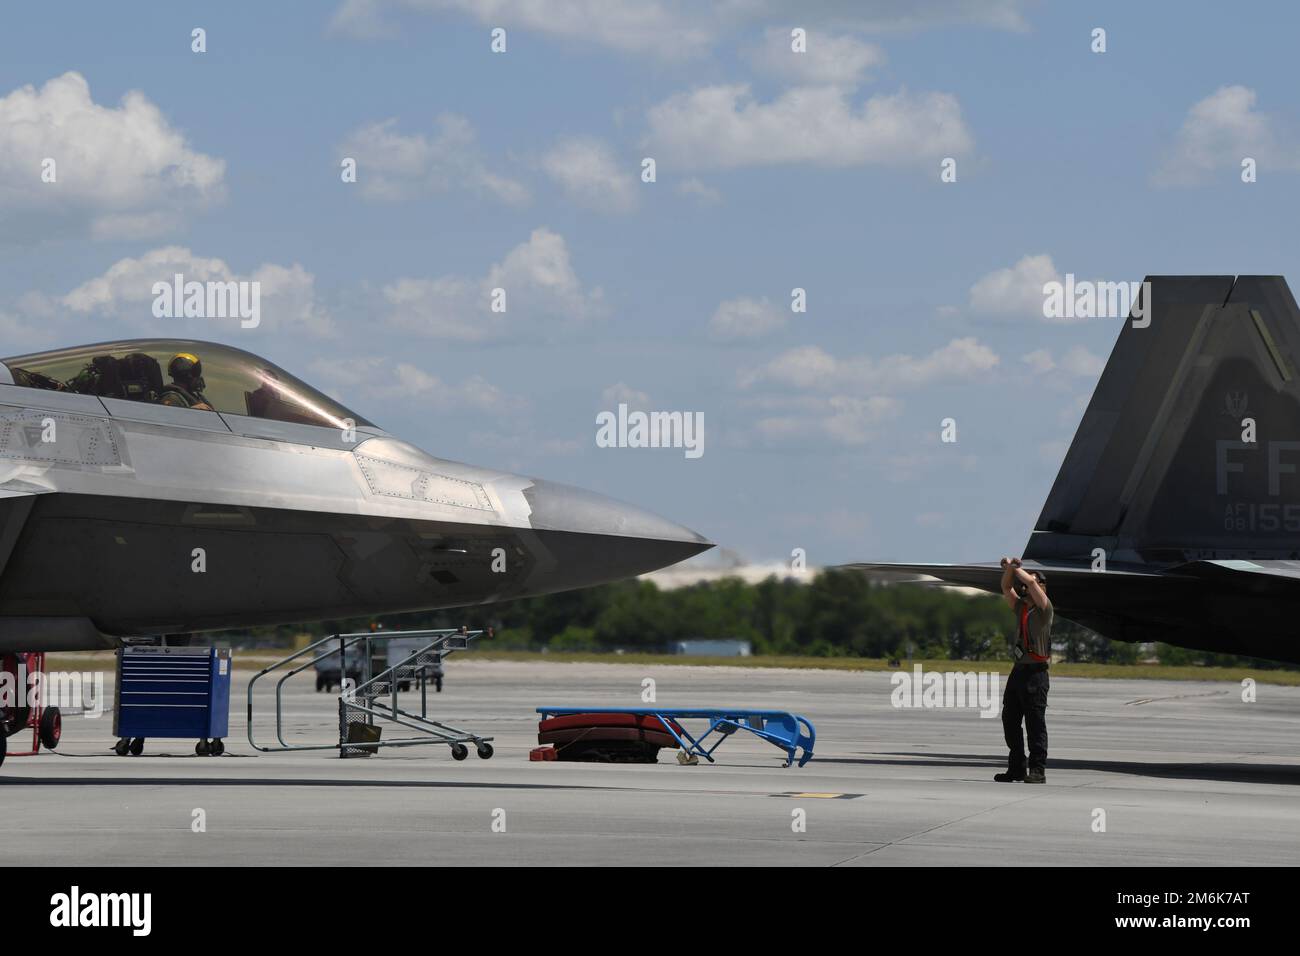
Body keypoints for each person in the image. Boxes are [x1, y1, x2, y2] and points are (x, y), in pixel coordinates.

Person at [995, 557, 1052, 784]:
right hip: (1018, 671)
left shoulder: (1045, 610)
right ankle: (1017, 767)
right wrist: (1009, 569)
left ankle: (1038, 770)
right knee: (1010, 719)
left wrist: (1017, 568)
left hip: (1037, 674)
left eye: (1035, 583)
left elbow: (1029, 581)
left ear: (1041, 588)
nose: (1028, 586)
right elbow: (1006, 587)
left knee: (1035, 723)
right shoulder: (1020, 608)